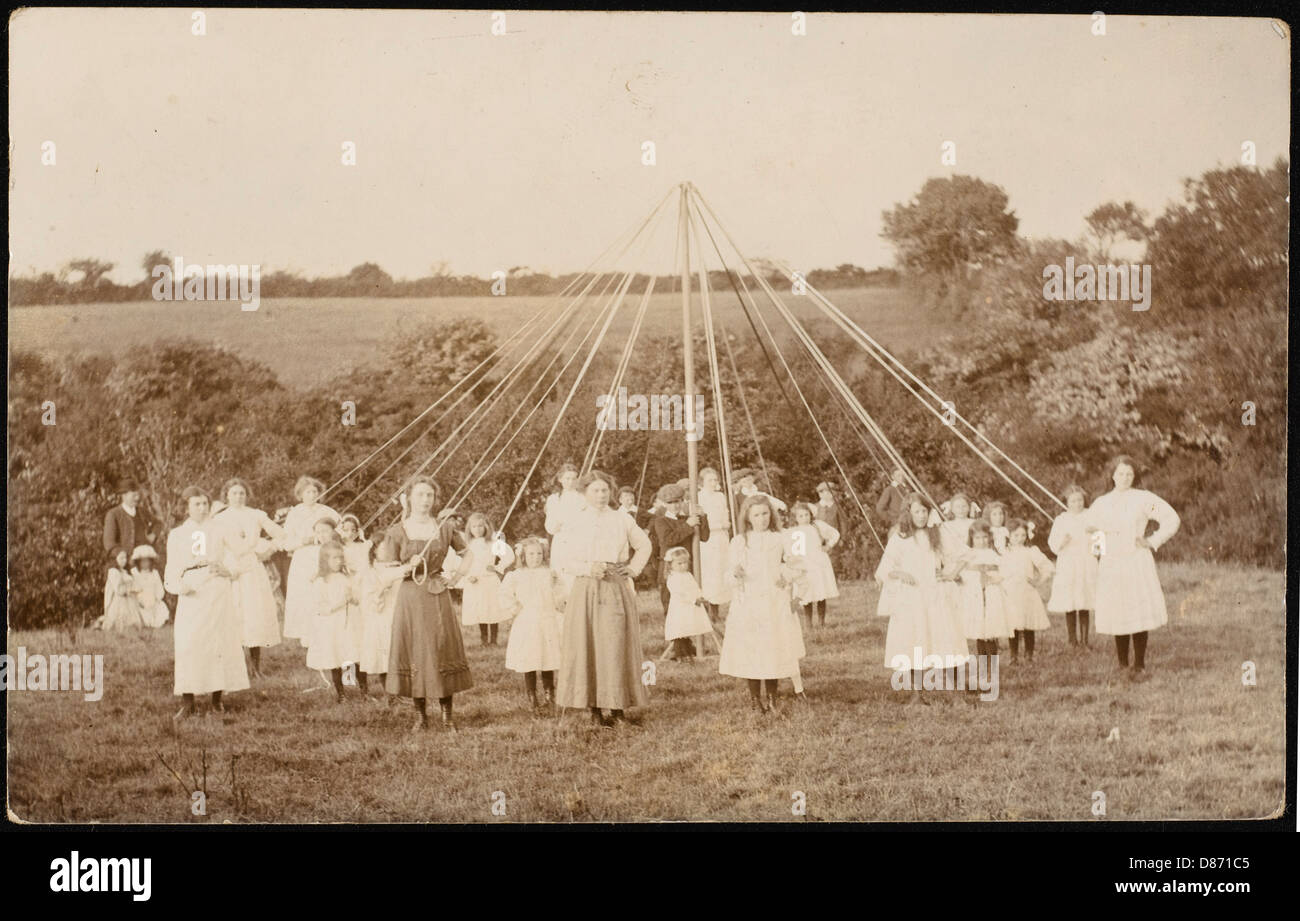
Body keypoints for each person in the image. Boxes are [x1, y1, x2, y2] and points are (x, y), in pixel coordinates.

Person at [555, 471, 652, 728]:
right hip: (586, 587)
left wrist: (633, 568)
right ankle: (596, 711)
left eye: (605, 490)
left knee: (615, 643)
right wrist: (587, 568)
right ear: (585, 493)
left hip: (614, 586)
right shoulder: (575, 520)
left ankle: (618, 709)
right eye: (595, 491)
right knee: (590, 644)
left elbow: (644, 545)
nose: (601, 495)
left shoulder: (621, 518)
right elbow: (563, 557)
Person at [384, 476, 473, 730]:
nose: (425, 500)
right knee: (414, 650)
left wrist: (455, 578)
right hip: (410, 597)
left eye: (430, 496)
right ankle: (420, 715)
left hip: (436, 595)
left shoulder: (444, 528)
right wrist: (404, 568)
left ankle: (447, 715)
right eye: (420, 495)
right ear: (409, 498)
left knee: (440, 647)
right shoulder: (397, 532)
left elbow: (469, 555)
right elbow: (385, 573)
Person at [1084, 455, 1180, 678]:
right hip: (1111, 562)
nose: (1124, 478)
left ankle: (1139, 663)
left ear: (1134, 476)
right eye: (1120, 473)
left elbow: (1172, 519)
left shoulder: (1144, 498)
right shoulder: (1101, 502)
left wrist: (1152, 540)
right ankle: (1122, 663)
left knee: (1137, 607)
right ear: (1112, 475)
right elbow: (1094, 534)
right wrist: (1097, 546)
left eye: (1129, 474)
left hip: (1136, 558)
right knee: (1118, 609)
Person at [164, 486, 249, 719]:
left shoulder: (220, 529)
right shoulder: (178, 535)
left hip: (216, 588)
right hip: (192, 590)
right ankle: (188, 701)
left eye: (205, 504)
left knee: (218, 643)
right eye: (196, 504)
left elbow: (239, 556)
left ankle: (216, 699)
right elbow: (171, 569)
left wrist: (228, 569)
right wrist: (179, 586)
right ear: (186, 508)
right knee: (189, 644)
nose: (202, 508)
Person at [875, 493, 968, 705]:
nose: (921, 516)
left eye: (924, 511)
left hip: (936, 594)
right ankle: (918, 694)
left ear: (930, 512)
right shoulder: (900, 537)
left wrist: (950, 574)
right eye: (916, 512)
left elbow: (965, 554)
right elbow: (885, 568)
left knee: (944, 640)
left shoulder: (938, 533)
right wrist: (900, 574)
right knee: (915, 642)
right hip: (912, 597)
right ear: (908, 513)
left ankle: (955, 694)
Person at [719, 494, 806, 714]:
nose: (762, 519)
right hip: (748, 601)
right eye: (756, 515)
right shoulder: (740, 541)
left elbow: (799, 566)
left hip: (774, 600)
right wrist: (735, 574)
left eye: (765, 513)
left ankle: (773, 696)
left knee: (773, 647)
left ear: (772, 514)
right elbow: (728, 575)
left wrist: (786, 575)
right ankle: (755, 699)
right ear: (748, 517)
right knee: (753, 649)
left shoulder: (782, 537)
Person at [216, 478, 286, 678]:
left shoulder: (256, 515)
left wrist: (269, 549)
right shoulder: (219, 519)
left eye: (242, 493)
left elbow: (280, 533)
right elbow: (214, 545)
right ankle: (237, 668)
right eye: (234, 493)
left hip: (253, 571)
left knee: (255, 617)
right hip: (231, 571)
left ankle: (255, 668)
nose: (238, 497)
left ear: (247, 495)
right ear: (227, 495)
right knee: (235, 616)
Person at [499, 536, 566, 714]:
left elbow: (560, 592)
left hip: (547, 619)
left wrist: (558, 598)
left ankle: (549, 696)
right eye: (531, 554)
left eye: (538, 553)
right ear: (523, 555)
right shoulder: (516, 575)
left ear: (544, 555)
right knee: (528, 660)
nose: (535, 557)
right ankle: (532, 698)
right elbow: (504, 593)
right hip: (527, 621)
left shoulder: (549, 573)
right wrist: (515, 607)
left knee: (548, 658)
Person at [645, 481, 710, 656]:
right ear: (665, 504)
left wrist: (702, 517)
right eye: (672, 502)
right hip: (670, 573)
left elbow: (704, 537)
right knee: (673, 609)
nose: (676, 505)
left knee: (689, 607)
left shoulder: (686, 518)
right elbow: (668, 540)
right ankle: (679, 648)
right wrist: (689, 525)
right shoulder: (661, 521)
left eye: (679, 501)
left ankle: (687, 645)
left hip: (688, 571)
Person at [281, 476, 338, 646]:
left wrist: (328, 539)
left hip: (323, 555)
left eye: (315, 491)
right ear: (300, 494)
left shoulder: (327, 511)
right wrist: (303, 541)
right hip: (303, 559)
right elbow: (286, 543)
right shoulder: (295, 513)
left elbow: (339, 532)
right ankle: (307, 638)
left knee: (323, 592)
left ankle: (325, 635)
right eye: (308, 492)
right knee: (305, 595)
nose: (312, 495)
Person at [307, 541, 363, 702]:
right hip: (333, 626)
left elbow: (357, 598)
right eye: (334, 558)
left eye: (340, 558)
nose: (339, 561)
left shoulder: (346, 577)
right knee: (337, 658)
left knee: (352, 655)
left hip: (350, 624)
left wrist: (353, 599)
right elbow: (320, 609)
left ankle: (362, 691)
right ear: (324, 560)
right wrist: (340, 602)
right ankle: (342, 694)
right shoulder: (321, 582)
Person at [1047, 485, 1098, 648]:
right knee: (1070, 602)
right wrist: (1062, 542)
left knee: (1084, 601)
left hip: (1086, 562)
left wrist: (1095, 535)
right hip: (1068, 563)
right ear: (1067, 502)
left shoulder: (1091, 516)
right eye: (1073, 501)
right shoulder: (1061, 519)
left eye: (1080, 500)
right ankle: (1072, 640)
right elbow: (1052, 543)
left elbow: (1100, 542)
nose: (1077, 504)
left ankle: (1084, 640)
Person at [999, 519, 1055, 664]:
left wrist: (1038, 581)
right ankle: (1013, 656)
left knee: (1029, 625)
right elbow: (999, 570)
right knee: (1014, 625)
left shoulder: (1030, 551)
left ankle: (1029, 655)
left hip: (1027, 593)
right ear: (1009, 535)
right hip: (1010, 593)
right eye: (1016, 535)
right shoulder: (1004, 552)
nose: (1019, 539)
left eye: (1023, 535)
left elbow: (1048, 567)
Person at [459, 512, 516, 646]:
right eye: (474, 526)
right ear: (469, 528)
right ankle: (484, 639)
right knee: (481, 610)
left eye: (480, 526)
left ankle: (494, 639)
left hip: (489, 580)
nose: (477, 529)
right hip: (475, 581)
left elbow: (509, 556)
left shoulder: (493, 542)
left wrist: (497, 566)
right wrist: (468, 576)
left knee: (492, 609)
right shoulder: (467, 544)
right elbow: (462, 562)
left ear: (486, 527)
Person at [359, 538, 405, 703]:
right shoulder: (372, 572)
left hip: (398, 615)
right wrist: (381, 590)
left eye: (390, 549)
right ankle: (390, 694)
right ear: (374, 551)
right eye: (382, 549)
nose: (387, 552)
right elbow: (367, 598)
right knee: (383, 656)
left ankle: (399, 692)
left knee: (398, 654)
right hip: (380, 617)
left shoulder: (400, 568)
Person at [786, 501, 839, 629]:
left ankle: (821, 622)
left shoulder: (817, 526)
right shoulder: (794, 531)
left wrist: (828, 545)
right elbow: (791, 549)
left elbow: (835, 534)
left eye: (806, 515)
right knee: (806, 593)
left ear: (811, 515)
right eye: (801, 516)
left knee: (821, 591)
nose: (804, 518)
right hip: (805, 564)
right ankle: (808, 623)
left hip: (819, 562)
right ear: (795, 518)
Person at [662, 547, 719, 664]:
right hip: (680, 608)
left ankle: (689, 652)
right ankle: (681, 655)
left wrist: (700, 596)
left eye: (685, 563)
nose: (683, 566)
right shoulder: (673, 578)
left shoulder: (687, 575)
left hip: (691, 608)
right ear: (670, 565)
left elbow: (694, 587)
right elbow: (680, 593)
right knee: (680, 631)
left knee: (688, 628)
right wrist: (694, 599)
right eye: (679, 563)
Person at [545, 462, 586, 596]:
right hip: (561, 541)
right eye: (567, 478)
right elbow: (550, 526)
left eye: (574, 478)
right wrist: (556, 524)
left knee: (577, 573)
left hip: (578, 540)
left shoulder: (583, 498)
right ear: (560, 479)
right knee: (560, 574)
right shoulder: (554, 499)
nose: (570, 482)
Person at [697, 467, 732, 616]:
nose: (713, 483)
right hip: (708, 539)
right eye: (709, 480)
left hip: (722, 538)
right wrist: (719, 525)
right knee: (709, 572)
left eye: (715, 480)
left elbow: (725, 515)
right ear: (702, 482)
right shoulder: (699, 497)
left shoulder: (720, 496)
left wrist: (726, 525)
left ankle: (717, 611)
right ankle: (708, 610)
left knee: (722, 571)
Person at [103, 480, 159, 563]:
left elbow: (158, 523)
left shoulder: (142, 511)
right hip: (126, 563)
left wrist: (153, 534)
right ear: (124, 495)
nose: (137, 498)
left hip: (144, 561)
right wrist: (120, 553)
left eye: (138, 495)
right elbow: (109, 542)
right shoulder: (113, 514)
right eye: (134, 495)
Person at [98, 549, 144, 631]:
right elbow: (118, 589)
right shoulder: (113, 572)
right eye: (121, 558)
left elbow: (136, 584)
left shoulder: (126, 572)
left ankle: (132, 629)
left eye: (125, 558)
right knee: (119, 618)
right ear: (115, 559)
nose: (124, 560)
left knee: (132, 618)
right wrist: (129, 590)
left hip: (129, 599)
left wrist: (133, 589)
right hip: (119, 599)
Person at [130, 545, 170, 627]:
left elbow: (159, 588)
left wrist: (157, 598)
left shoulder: (154, 573)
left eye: (147, 561)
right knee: (138, 612)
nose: (145, 563)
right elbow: (132, 589)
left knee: (159, 609)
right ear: (138, 562)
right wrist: (137, 600)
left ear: (151, 562)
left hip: (152, 599)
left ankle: (154, 621)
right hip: (139, 600)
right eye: (142, 561)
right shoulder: (134, 572)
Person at [875, 468, 908, 533]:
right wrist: (892, 520)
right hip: (899, 524)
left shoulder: (906, 488)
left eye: (902, 475)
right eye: (898, 475)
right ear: (893, 477)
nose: (901, 478)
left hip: (911, 521)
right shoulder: (890, 490)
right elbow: (879, 508)